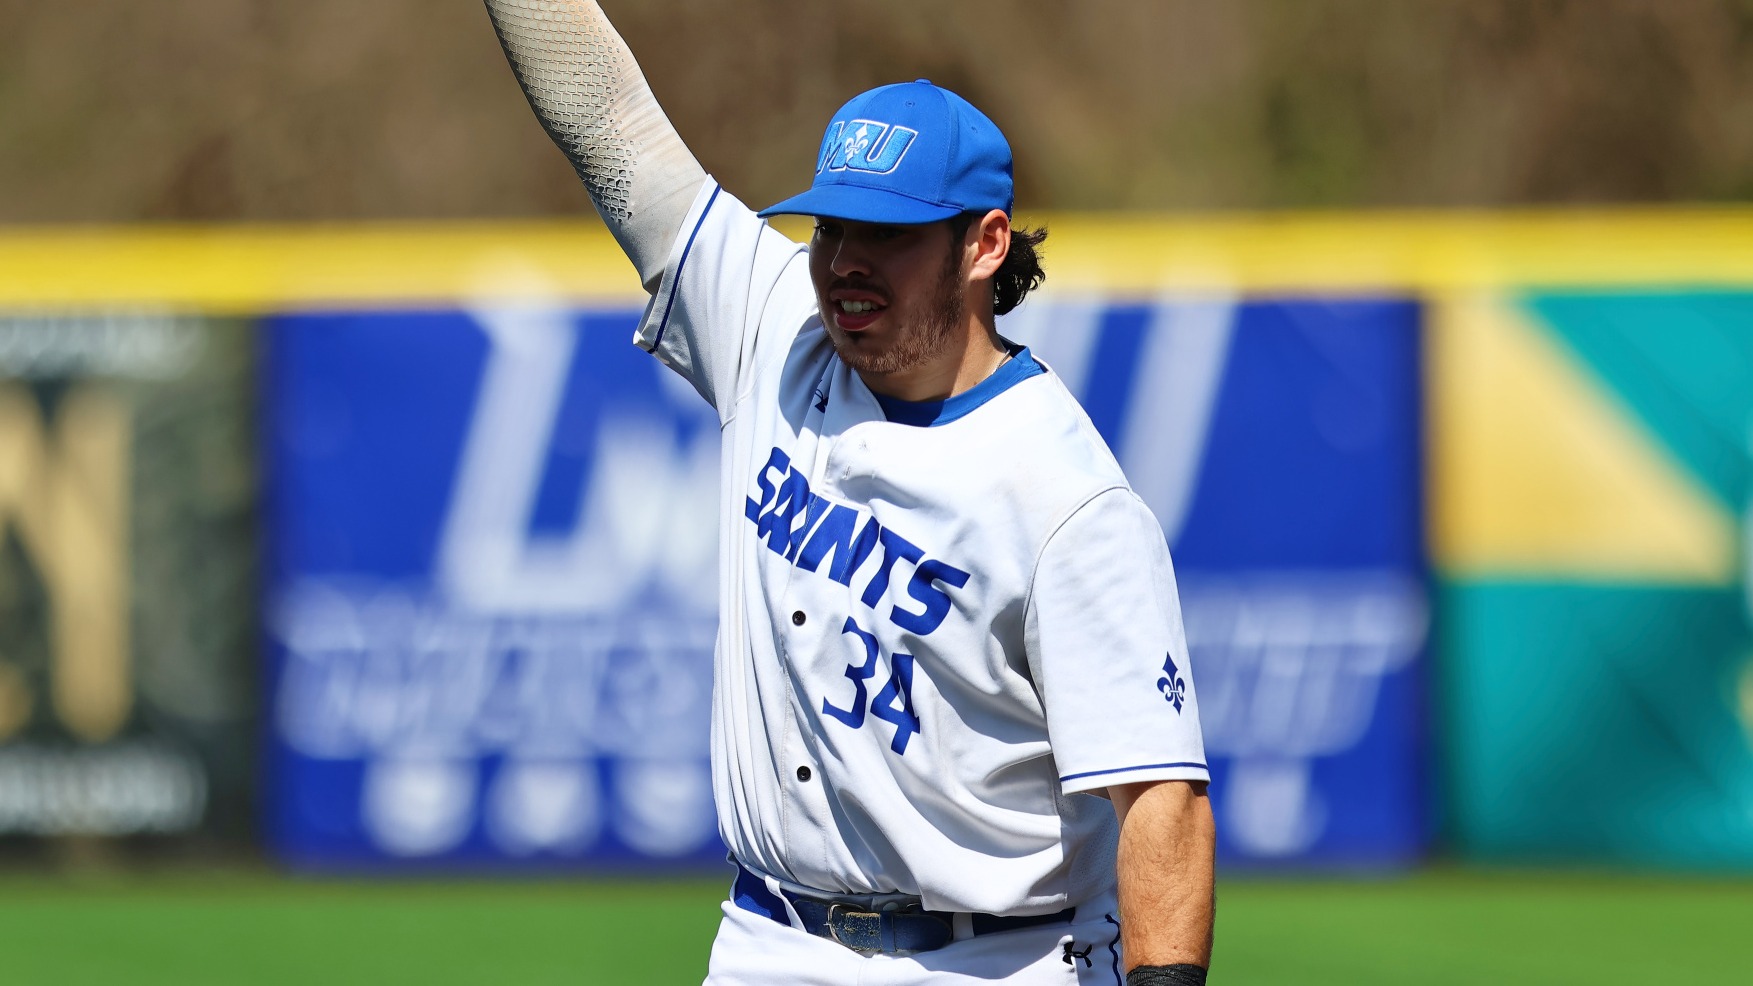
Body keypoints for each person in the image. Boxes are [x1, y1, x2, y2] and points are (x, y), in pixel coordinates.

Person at [483, 3, 1215, 983]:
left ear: (984, 244)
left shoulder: (1068, 500)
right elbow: (608, 123)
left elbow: (1159, 800)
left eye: (888, 233)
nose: (843, 263)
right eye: (830, 226)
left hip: (998, 956)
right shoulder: (772, 321)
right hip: (766, 940)